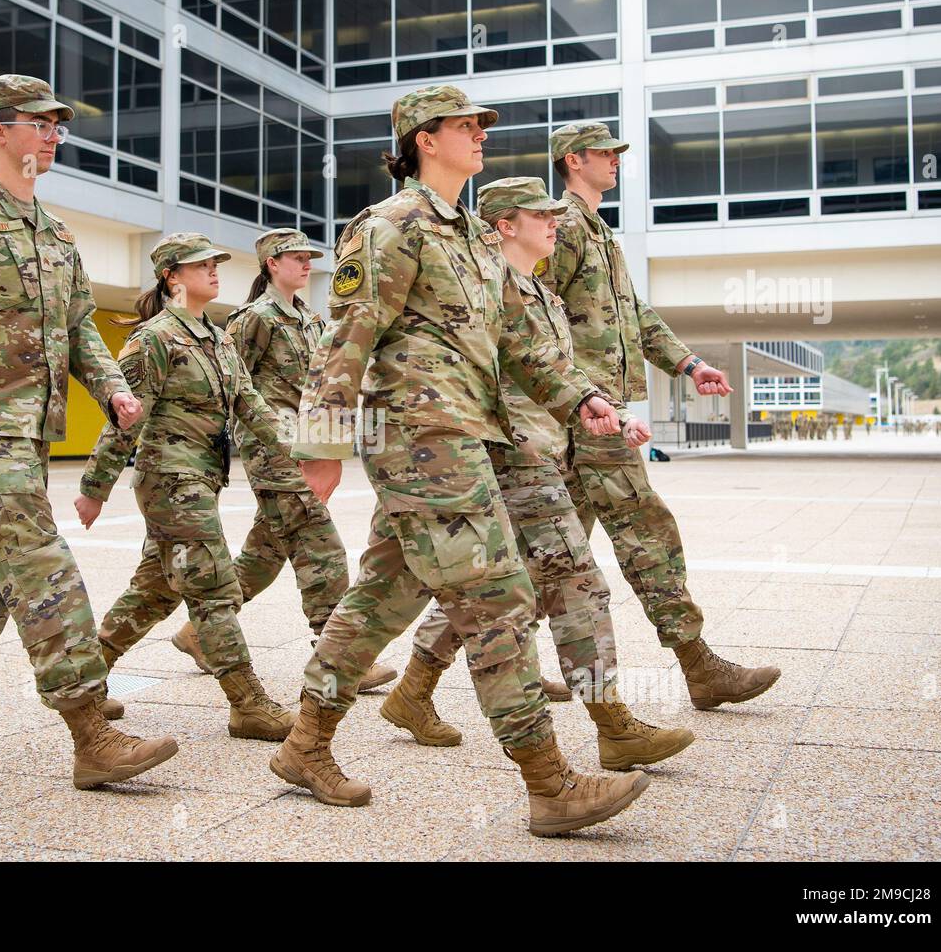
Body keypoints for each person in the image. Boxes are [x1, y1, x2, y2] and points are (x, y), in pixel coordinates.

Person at [270, 85, 651, 838]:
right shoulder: (389, 226)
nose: (480, 134)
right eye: (464, 125)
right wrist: (319, 447)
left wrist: (582, 400)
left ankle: (304, 743)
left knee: (382, 594)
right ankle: (549, 783)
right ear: (423, 140)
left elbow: (519, 341)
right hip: (419, 436)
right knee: (500, 597)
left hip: (462, 435)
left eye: (480, 125)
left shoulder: (473, 237)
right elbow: (346, 333)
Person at [0, 74, 177, 790]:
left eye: (58, 125)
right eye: (40, 122)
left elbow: (79, 328)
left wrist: (112, 387)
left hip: (31, 432)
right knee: (40, 560)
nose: (52, 134)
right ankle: (90, 730)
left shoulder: (56, 234)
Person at [382, 177, 694, 772]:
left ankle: (412, 691)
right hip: (508, 455)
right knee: (576, 581)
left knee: (500, 586)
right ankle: (611, 724)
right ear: (504, 225)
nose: (555, 223)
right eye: (540, 215)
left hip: (541, 451)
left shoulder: (537, 292)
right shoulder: (481, 290)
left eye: (555, 214)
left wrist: (604, 412)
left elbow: (553, 370)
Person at [546, 122, 781, 710]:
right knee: (647, 531)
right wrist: (567, 398)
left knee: (539, 553)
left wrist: (690, 363)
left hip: (590, 413)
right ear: (574, 161)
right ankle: (700, 667)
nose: (615, 162)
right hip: (585, 414)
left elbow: (636, 315)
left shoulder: (598, 233)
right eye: (605, 154)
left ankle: (420, 679)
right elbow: (528, 315)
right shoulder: (566, 228)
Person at [74, 233, 301, 742]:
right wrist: (95, 487)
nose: (215, 269)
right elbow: (124, 418)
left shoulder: (216, 337)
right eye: (202, 264)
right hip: (171, 480)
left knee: (154, 590)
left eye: (217, 262)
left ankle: (83, 682)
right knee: (214, 587)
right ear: (171, 276)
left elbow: (251, 407)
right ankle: (248, 704)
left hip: (202, 477)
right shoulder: (153, 339)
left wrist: (299, 452)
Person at [166, 229, 396, 693]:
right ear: (272, 263)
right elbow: (229, 380)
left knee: (265, 552)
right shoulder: (254, 319)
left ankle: (200, 632)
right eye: (295, 257)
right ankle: (339, 658)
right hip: (271, 449)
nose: (306, 264)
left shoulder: (310, 321)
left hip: (304, 446)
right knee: (321, 545)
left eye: (309, 257)